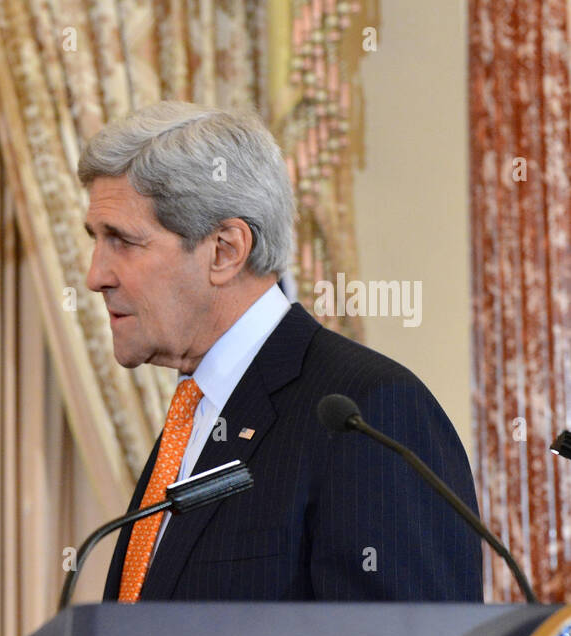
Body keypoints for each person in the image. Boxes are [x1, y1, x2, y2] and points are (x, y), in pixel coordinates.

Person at [76, 103, 483, 601]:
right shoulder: (197, 410)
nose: (95, 276)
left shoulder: (367, 412)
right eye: (96, 240)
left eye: (121, 241)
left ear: (225, 250)